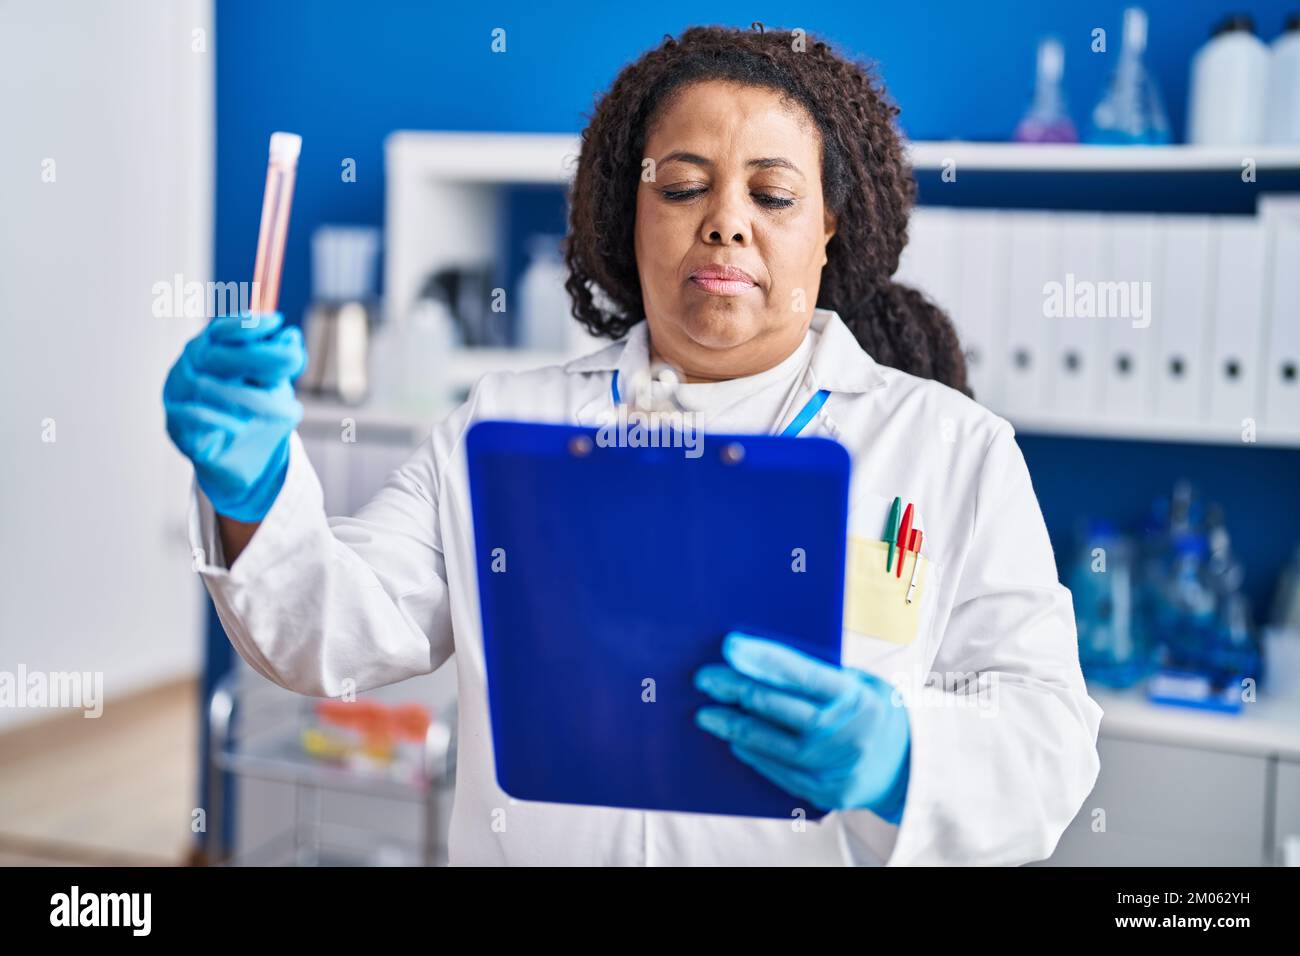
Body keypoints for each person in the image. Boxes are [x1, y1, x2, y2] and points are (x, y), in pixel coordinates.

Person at [164, 24, 1101, 865]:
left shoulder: (951, 449)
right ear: (631, 212)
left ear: (828, 230)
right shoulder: (504, 426)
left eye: (773, 194)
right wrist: (251, 487)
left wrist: (902, 754)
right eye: (684, 184)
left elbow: (1048, 748)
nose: (725, 219)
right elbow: (332, 630)